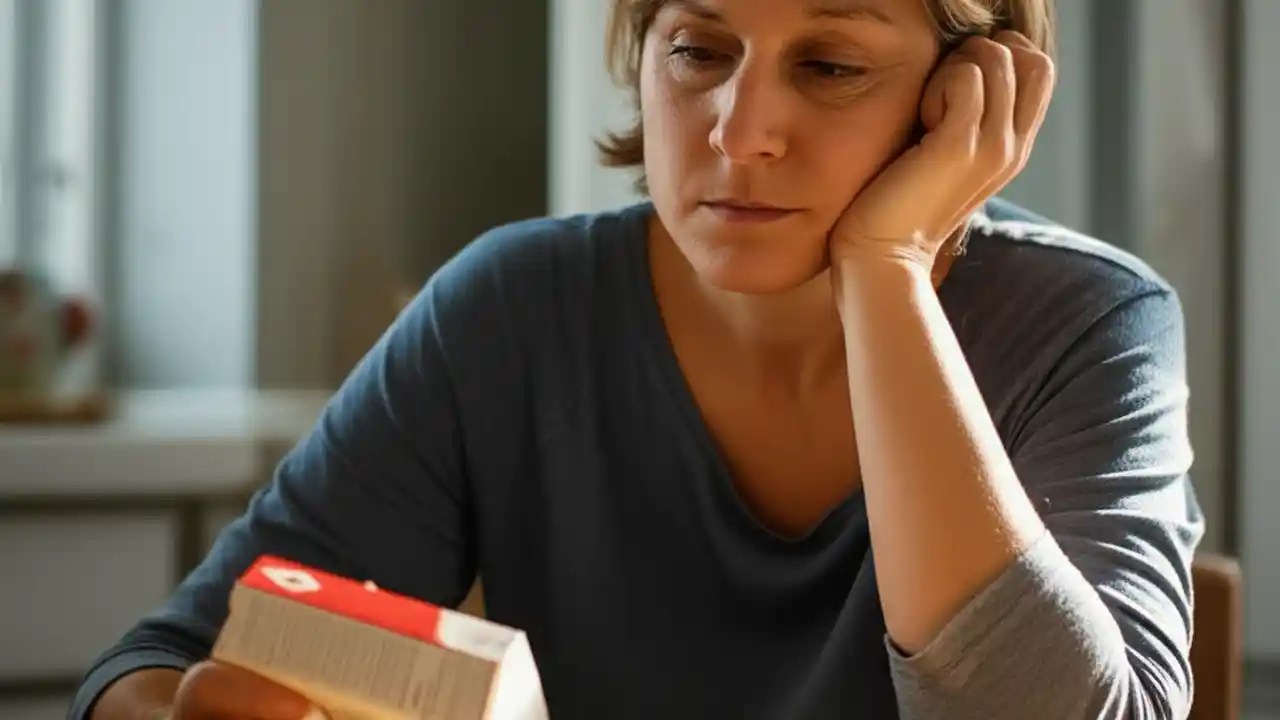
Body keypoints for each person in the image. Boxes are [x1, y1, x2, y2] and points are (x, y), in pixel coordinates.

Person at [74, 0, 1205, 718]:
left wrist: (887, 265)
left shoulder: (1083, 326)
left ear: (965, 102)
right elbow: (162, 660)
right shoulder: (512, 309)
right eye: (700, 50)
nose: (736, 126)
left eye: (829, 65)